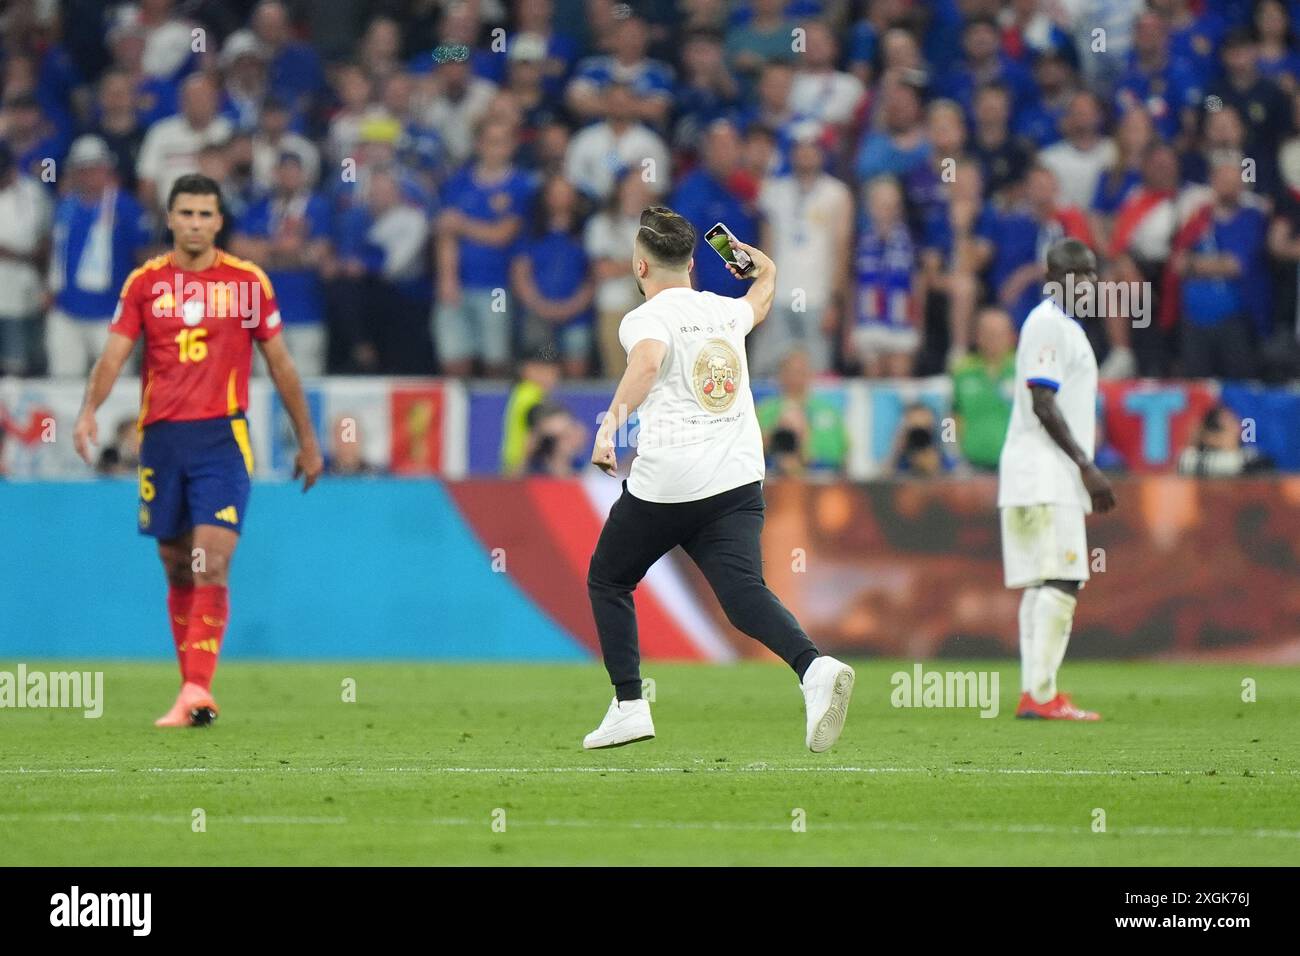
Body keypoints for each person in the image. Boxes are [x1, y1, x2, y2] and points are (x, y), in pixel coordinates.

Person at [583, 205, 854, 753]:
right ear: (692, 263)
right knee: (741, 593)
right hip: (736, 479)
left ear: (640, 268)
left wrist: (611, 424)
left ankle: (631, 705)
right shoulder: (723, 311)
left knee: (609, 579)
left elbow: (647, 363)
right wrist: (769, 270)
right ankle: (813, 667)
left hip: (672, 479)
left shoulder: (644, 318)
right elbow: (760, 300)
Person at [72, 173, 323, 728]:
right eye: (185, 213)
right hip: (161, 440)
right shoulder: (144, 283)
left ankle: (197, 690)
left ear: (218, 221)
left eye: (205, 215)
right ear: (170, 218)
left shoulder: (248, 282)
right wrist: (90, 409)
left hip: (222, 438)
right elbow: (114, 354)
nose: (195, 223)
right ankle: (190, 689)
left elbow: (281, 363)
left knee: (212, 560)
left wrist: (307, 438)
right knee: (176, 565)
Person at [998, 238, 1115, 722]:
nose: (1087, 282)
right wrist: (1086, 465)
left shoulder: (1059, 326)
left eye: (1091, 272)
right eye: (1076, 273)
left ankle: (1036, 693)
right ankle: (1042, 696)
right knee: (1064, 578)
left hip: (1037, 475)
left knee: (1044, 582)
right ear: (1054, 278)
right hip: (1046, 475)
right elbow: (1042, 403)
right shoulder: (1048, 326)